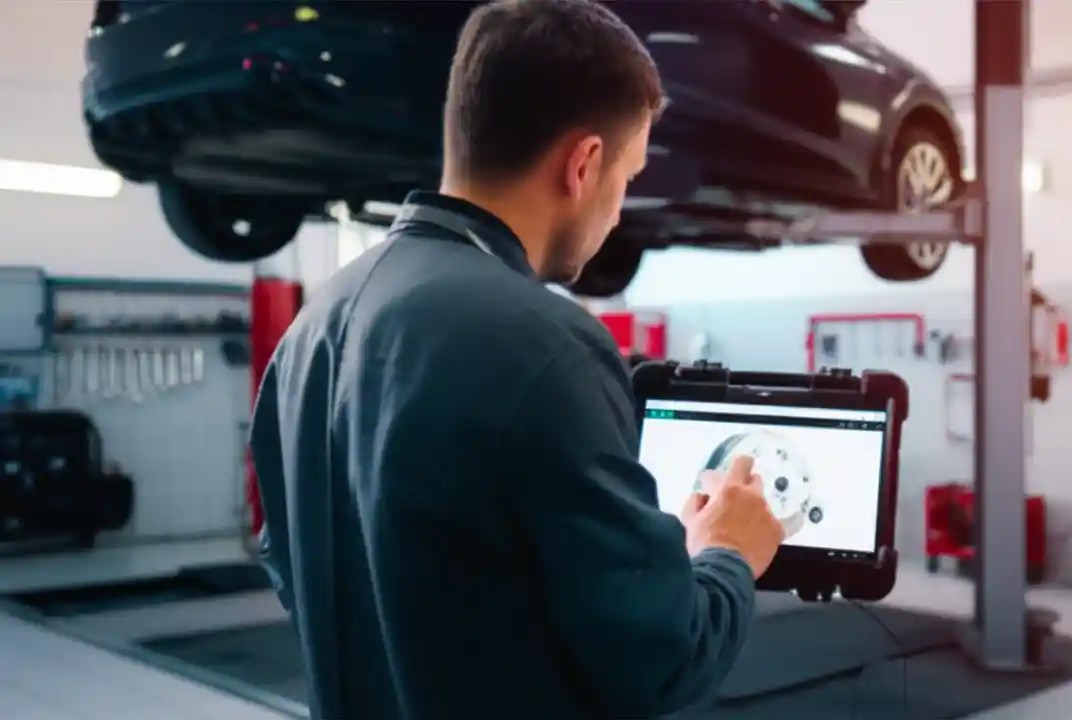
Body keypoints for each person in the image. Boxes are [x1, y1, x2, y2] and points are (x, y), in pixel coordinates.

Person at [248, 0, 784, 718]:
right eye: (626, 178)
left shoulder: (313, 325)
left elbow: (296, 568)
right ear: (584, 164)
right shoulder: (547, 343)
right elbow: (663, 660)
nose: (620, 211)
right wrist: (728, 553)